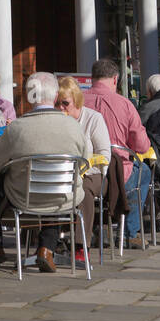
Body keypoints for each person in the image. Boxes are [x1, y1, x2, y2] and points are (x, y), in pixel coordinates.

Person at [0, 72, 91, 272]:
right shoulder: (74, 126)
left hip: (23, 197)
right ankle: (46, 249)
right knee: (53, 191)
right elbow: (84, 161)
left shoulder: (16, 128)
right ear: (54, 97)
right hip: (64, 198)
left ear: (29, 97)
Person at [83, 58, 152, 249]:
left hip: (83, 172)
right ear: (115, 79)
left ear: (91, 78)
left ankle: (99, 228)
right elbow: (141, 146)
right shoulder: (125, 104)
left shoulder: (78, 101)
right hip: (118, 173)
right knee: (144, 172)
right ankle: (131, 232)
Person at [56, 76, 111, 264]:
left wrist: (86, 165)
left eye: (65, 103)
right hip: (63, 173)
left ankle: (81, 246)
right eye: (57, 103)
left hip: (93, 174)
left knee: (83, 189)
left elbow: (105, 155)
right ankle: (48, 243)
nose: (60, 108)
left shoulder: (93, 119)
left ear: (77, 101)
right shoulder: (55, 121)